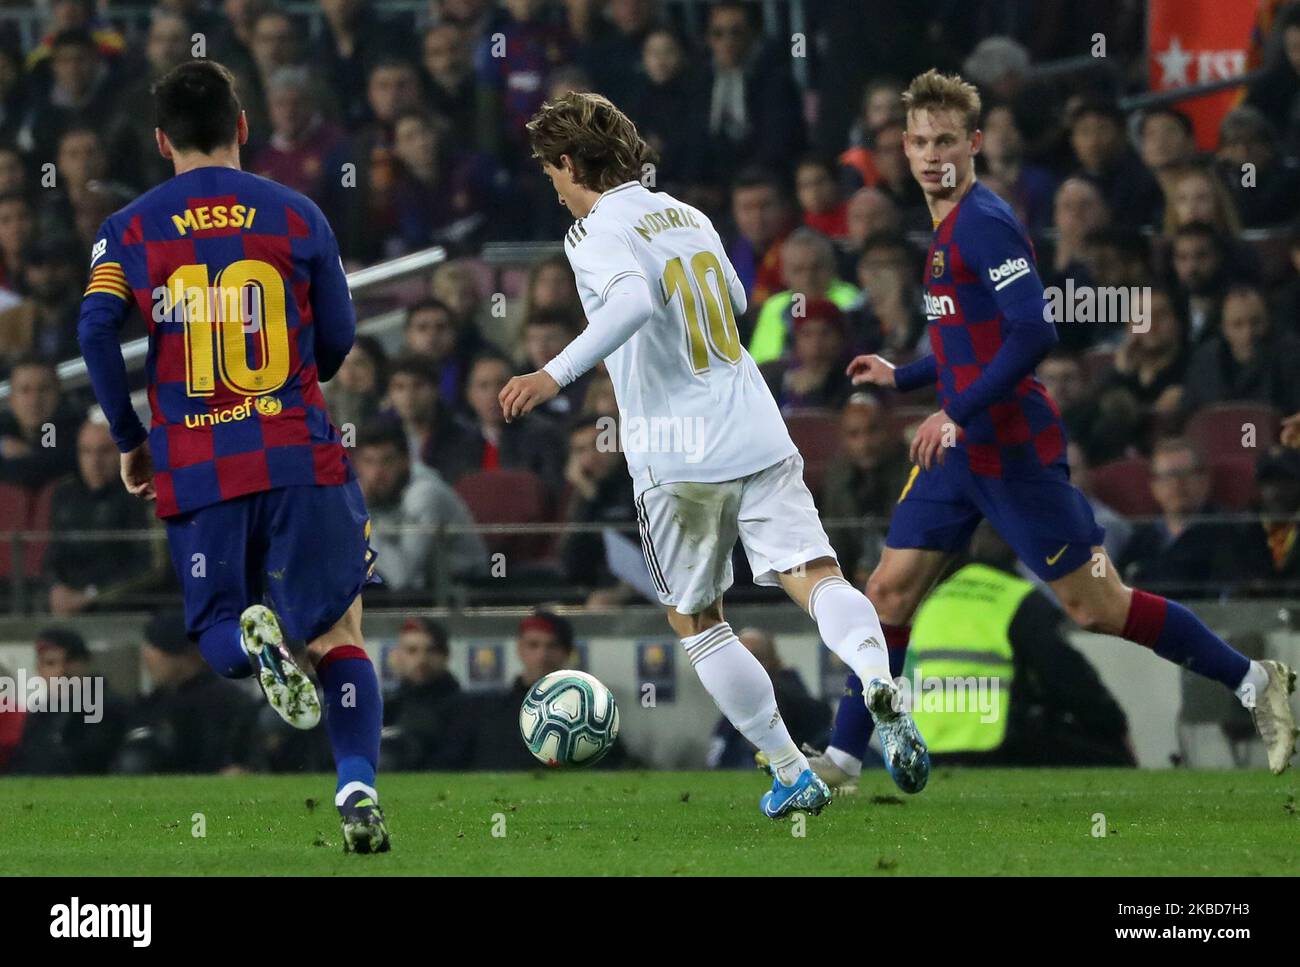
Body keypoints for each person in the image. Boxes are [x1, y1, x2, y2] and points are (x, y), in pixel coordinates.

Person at [819, 69, 1295, 788]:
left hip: (1010, 449)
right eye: (917, 140)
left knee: (1097, 603)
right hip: (958, 451)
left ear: (974, 143)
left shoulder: (983, 222)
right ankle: (843, 761)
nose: (929, 153)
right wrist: (904, 376)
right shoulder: (944, 226)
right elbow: (964, 342)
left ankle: (1258, 681)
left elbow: (1034, 330)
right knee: (886, 592)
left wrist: (955, 410)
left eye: (944, 138)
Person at [500, 91, 929, 819]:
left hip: (675, 450)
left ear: (571, 163)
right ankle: (874, 676)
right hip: (754, 424)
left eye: (552, 174)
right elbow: (731, 298)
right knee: (815, 575)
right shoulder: (687, 215)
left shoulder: (595, 231)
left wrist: (552, 374)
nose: (556, 189)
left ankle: (791, 768)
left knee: (697, 618)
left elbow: (633, 303)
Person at [76, 60, 390, 852]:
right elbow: (343, 336)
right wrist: (291, 386)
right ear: (244, 126)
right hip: (298, 455)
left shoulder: (130, 228)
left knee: (217, 626)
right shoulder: (297, 214)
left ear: (159, 141)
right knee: (338, 632)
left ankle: (253, 646)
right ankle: (355, 784)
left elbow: (93, 332)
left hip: (198, 465)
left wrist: (131, 438)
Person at [707, 628, 829, 769]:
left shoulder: (785, 688)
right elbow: (718, 752)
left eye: (754, 656)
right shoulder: (739, 693)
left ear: (770, 659)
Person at [381, 617, 461, 769]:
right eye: (412, 650)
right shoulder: (387, 709)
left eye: (430, 650)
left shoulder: (465, 711)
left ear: (446, 656)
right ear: (397, 656)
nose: (421, 659)